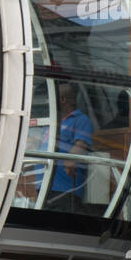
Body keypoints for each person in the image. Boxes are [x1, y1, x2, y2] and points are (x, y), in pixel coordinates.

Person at [49, 81, 94, 213]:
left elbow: (81, 145)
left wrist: (70, 160)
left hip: (64, 190)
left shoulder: (81, 120)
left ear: (62, 99)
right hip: (45, 185)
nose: (49, 102)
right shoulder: (53, 121)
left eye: (51, 97)